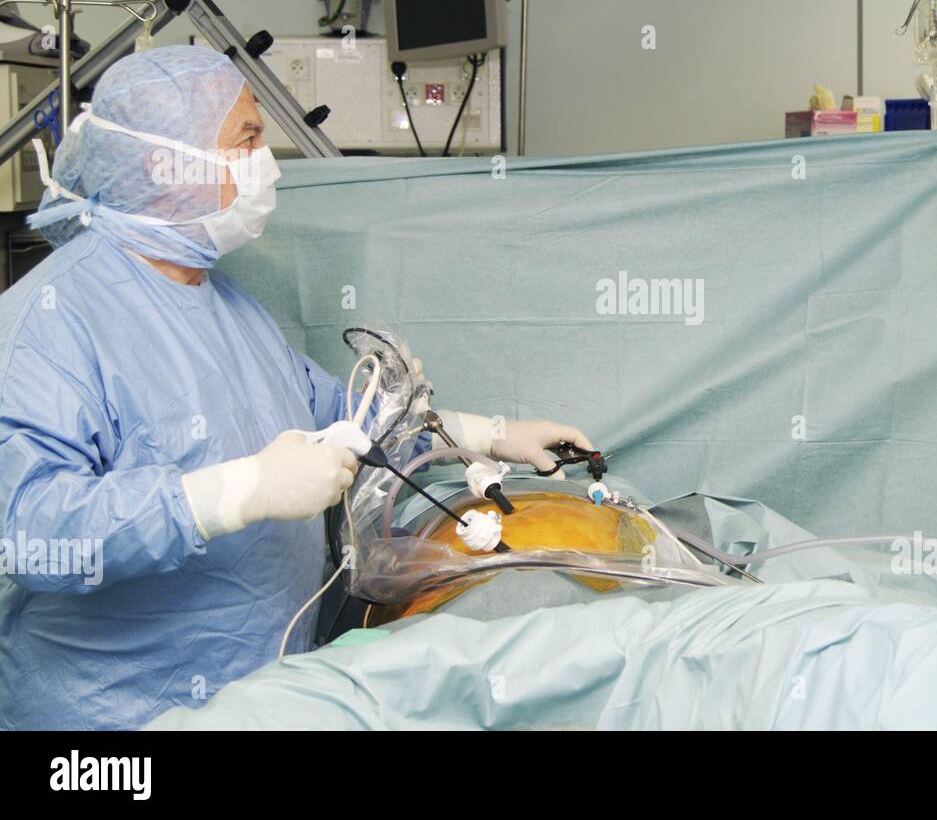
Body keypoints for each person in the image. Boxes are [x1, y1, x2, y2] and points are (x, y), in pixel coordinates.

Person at [0, 46, 592, 729]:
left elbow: (346, 418)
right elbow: (31, 532)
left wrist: (491, 435)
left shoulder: (226, 306)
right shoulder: (51, 319)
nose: (267, 165)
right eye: (247, 141)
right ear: (168, 165)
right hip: (115, 721)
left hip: (254, 694)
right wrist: (236, 493)